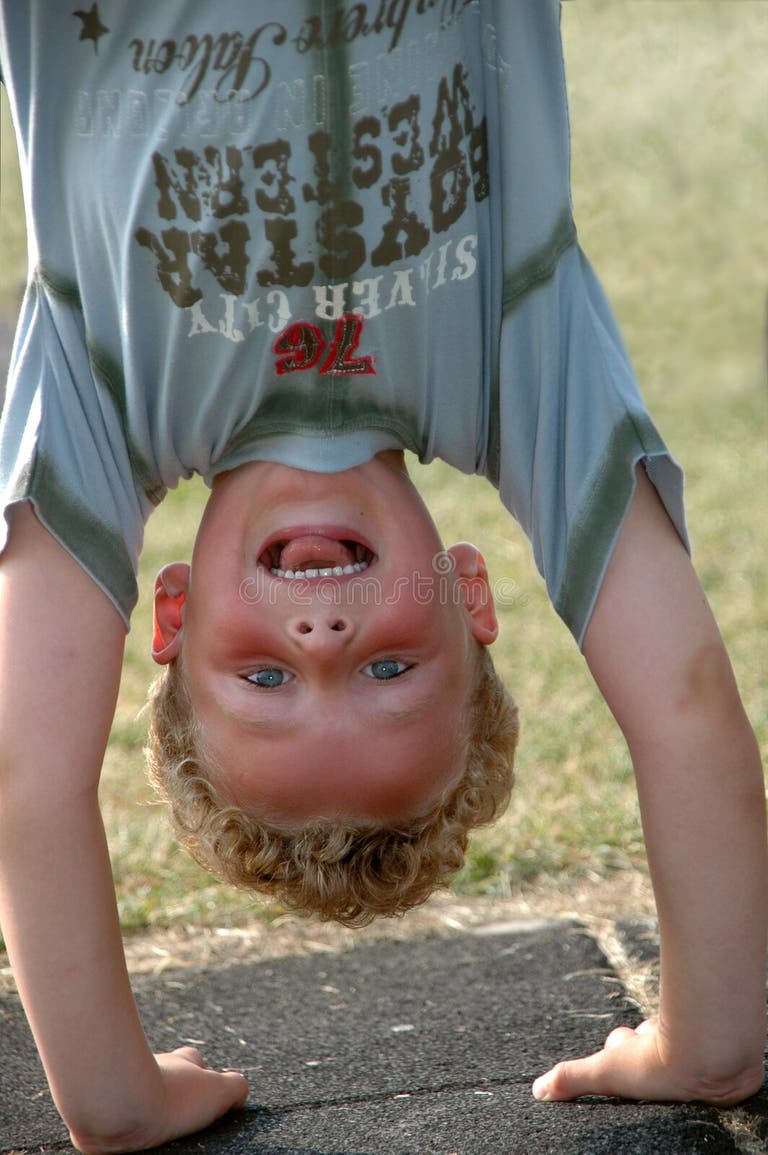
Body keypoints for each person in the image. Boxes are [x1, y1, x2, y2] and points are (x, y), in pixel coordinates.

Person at [0, 2, 764, 1152]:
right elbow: (689, 702)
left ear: (173, 613)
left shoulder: (105, 399)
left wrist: (118, 1101)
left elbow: (20, 770)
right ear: (470, 596)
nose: (319, 641)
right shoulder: (513, 352)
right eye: (390, 666)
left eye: (262, 679)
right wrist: (705, 1043)